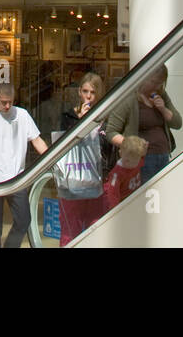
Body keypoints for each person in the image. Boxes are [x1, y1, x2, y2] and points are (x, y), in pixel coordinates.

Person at [0, 82, 48, 248]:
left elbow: (37, 140)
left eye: (11, 102)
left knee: (24, 220)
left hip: (16, 177)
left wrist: (51, 158)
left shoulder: (23, 115)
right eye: (3, 102)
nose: (7, 106)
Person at [56, 72, 108, 247]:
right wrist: (80, 121)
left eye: (93, 92)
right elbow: (62, 144)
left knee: (96, 224)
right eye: (85, 91)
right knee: (71, 225)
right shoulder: (68, 116)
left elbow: (107, 146)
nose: (88, 96)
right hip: (74, 176)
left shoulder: (104, 116)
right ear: (79, 92)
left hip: (98, 177)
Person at [104, 65, 181, 182]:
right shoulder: (129, 97)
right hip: (140, 158)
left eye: (160, 83)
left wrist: (163, 109)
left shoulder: (162, 94)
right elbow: (111, 132)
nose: (156, 87)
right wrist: (132, 145)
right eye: (154, 82)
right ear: (144, 77)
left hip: (163, 154)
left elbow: (178, 123)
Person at [102, 134, 148, 211]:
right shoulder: (116, 174)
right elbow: (112, 194)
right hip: (124, 203)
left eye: (134, 161)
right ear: (120, 153)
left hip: (136, 196)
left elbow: (142, 157)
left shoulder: (138, 162)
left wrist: (144, 148)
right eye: (127, 160)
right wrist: (115, 210)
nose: (130, 164)